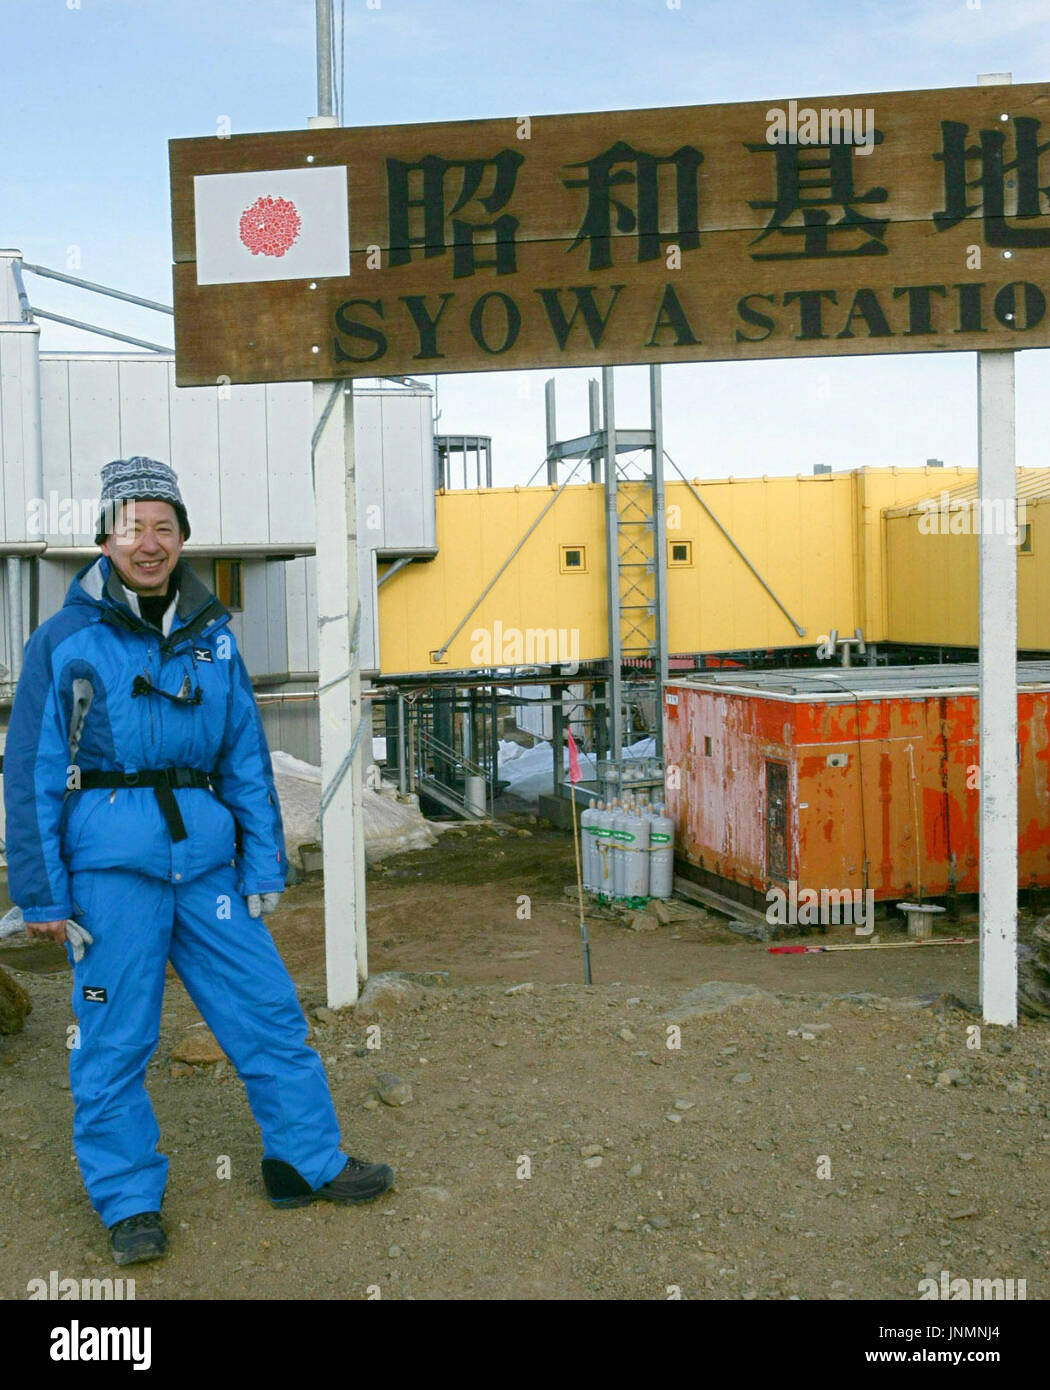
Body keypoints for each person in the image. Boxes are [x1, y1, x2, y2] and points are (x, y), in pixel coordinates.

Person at [3, 457, 393, 1267]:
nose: (149, 543)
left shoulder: (213, 635)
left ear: (183, 535)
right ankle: (128, 1201)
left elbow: (245, 754)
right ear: (104, 537)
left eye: (163, 526)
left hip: (209, 869)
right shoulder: (65, 639)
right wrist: (38, 892)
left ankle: (303, 1161)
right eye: (132, 526)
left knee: (270, 1015)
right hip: (111, 878)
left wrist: (262, 864)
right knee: (114, 1039)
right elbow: (32, 767)